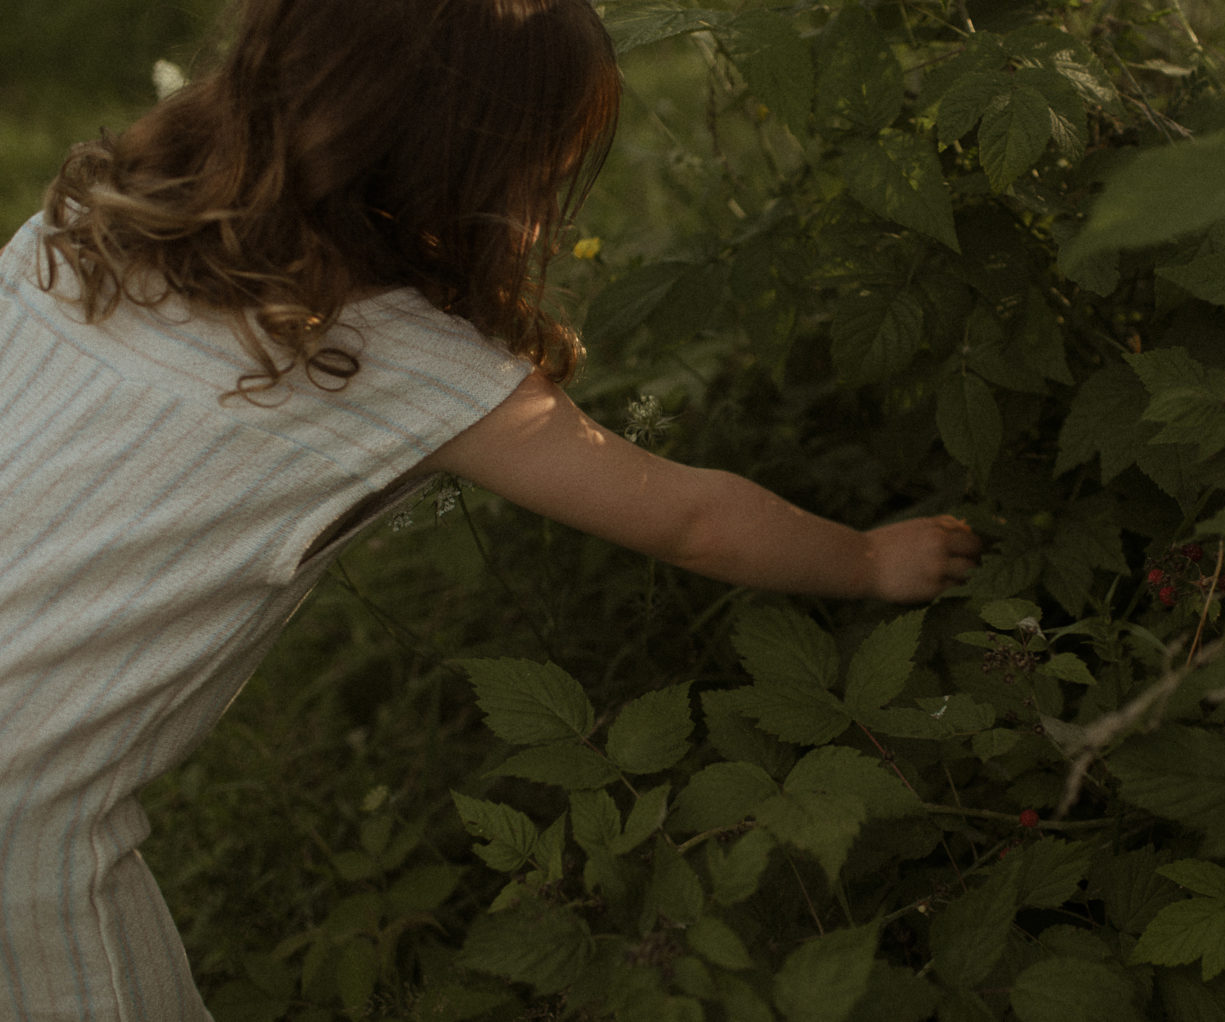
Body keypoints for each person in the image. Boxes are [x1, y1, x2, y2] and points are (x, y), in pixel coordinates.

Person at [0, 0, 983, 1017]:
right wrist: (868, 560)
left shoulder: (88, 224)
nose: (550, 210)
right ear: (447, 175)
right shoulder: (380, 359)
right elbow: (691, 518)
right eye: (541, 178)